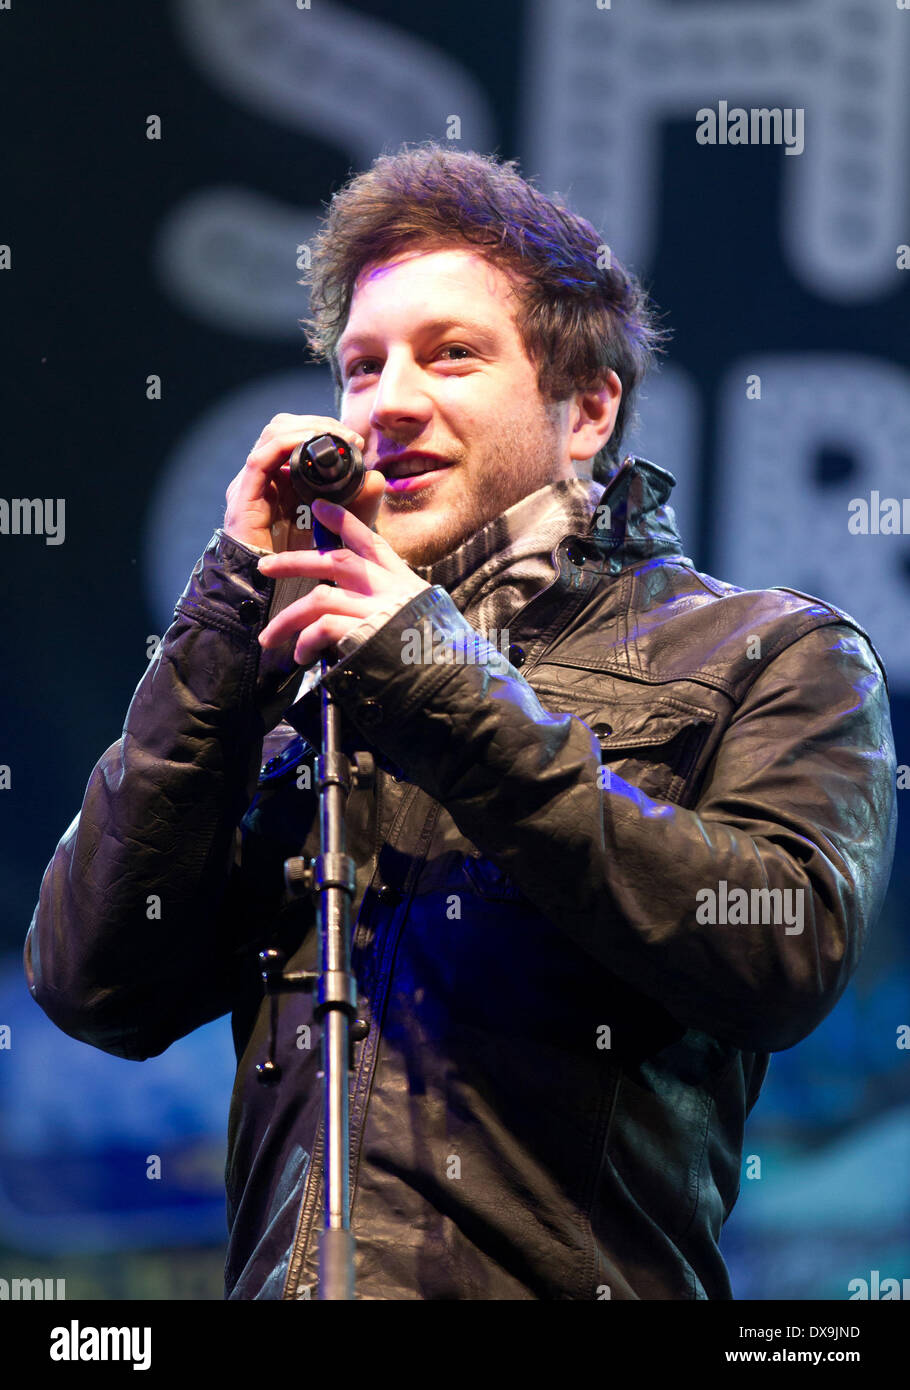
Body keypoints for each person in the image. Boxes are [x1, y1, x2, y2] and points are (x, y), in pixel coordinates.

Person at [25, 143, 897, 1301]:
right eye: (362, 366)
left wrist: (433, 673)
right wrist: (229, 600)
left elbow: (781, 951)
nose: (390, 400)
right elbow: (94, 984)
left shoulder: (768, 653)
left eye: (451, 354)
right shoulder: (300, 686)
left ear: (586, 408)